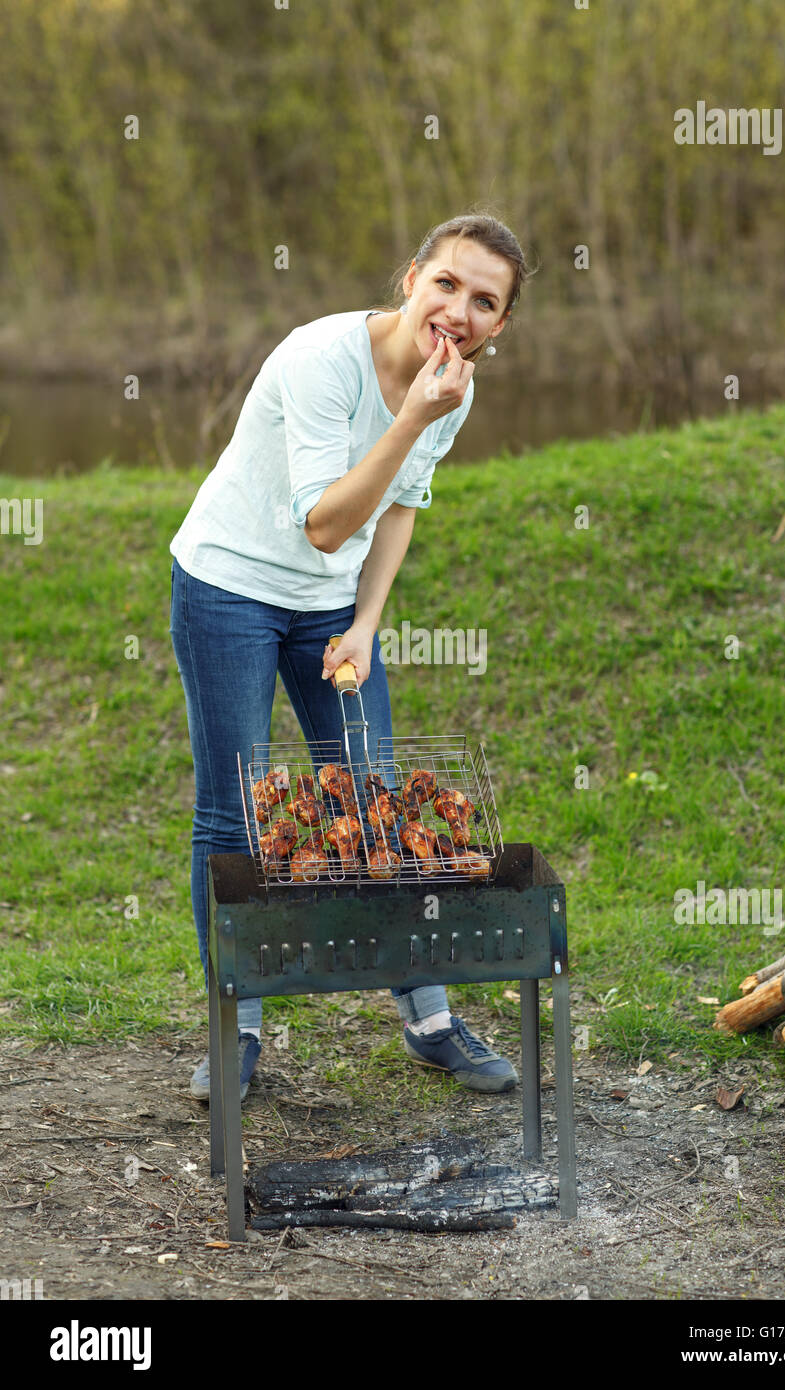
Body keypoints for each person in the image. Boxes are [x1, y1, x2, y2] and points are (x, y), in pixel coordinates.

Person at [169, 211, 532, 1103]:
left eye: (484, 301)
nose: (459, 310)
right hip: (230, 585)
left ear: (500, 324)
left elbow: (400, 506)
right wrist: (410, 415)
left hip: (329, 603)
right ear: (412, 278)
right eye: (447, 283)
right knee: (234, 811)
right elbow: (326, 520)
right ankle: (235, 1030)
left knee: (375, 794)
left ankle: (431, 1019)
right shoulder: (321, 360)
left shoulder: (455, 388)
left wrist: (367, 621)